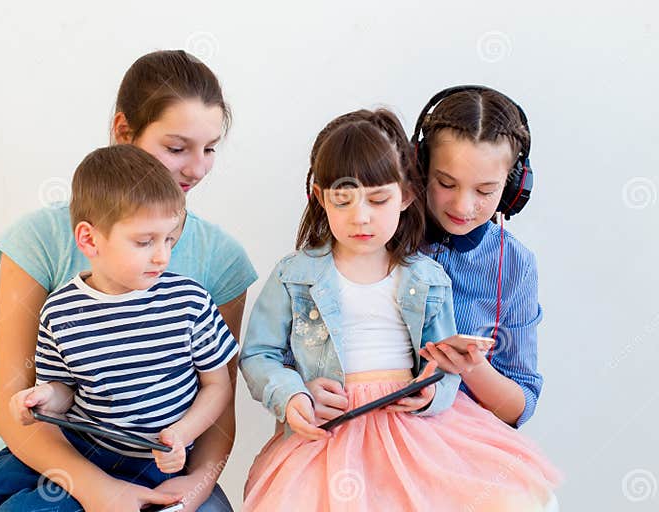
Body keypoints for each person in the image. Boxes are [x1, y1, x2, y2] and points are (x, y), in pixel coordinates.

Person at [0, 50, 255, 512]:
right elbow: (19, 396)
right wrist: (98, 490)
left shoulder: (221, 261)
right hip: (60, 451)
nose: (197, 168)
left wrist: (193, 492)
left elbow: (218, 405)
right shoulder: (38, 240)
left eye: (210, 148)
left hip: (163, 462)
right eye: (177, 147)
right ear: (124, 131)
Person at [239, 108, 560, 511]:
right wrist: (291, 394)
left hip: (415, 422)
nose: (361, 216)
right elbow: (258, 354)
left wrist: (432, 392)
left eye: (378, 199)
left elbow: (443, 361)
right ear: (320, 198)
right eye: (343, 200)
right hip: (333, 424)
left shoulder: (428, 277)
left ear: (406, 195)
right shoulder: (295, 274)